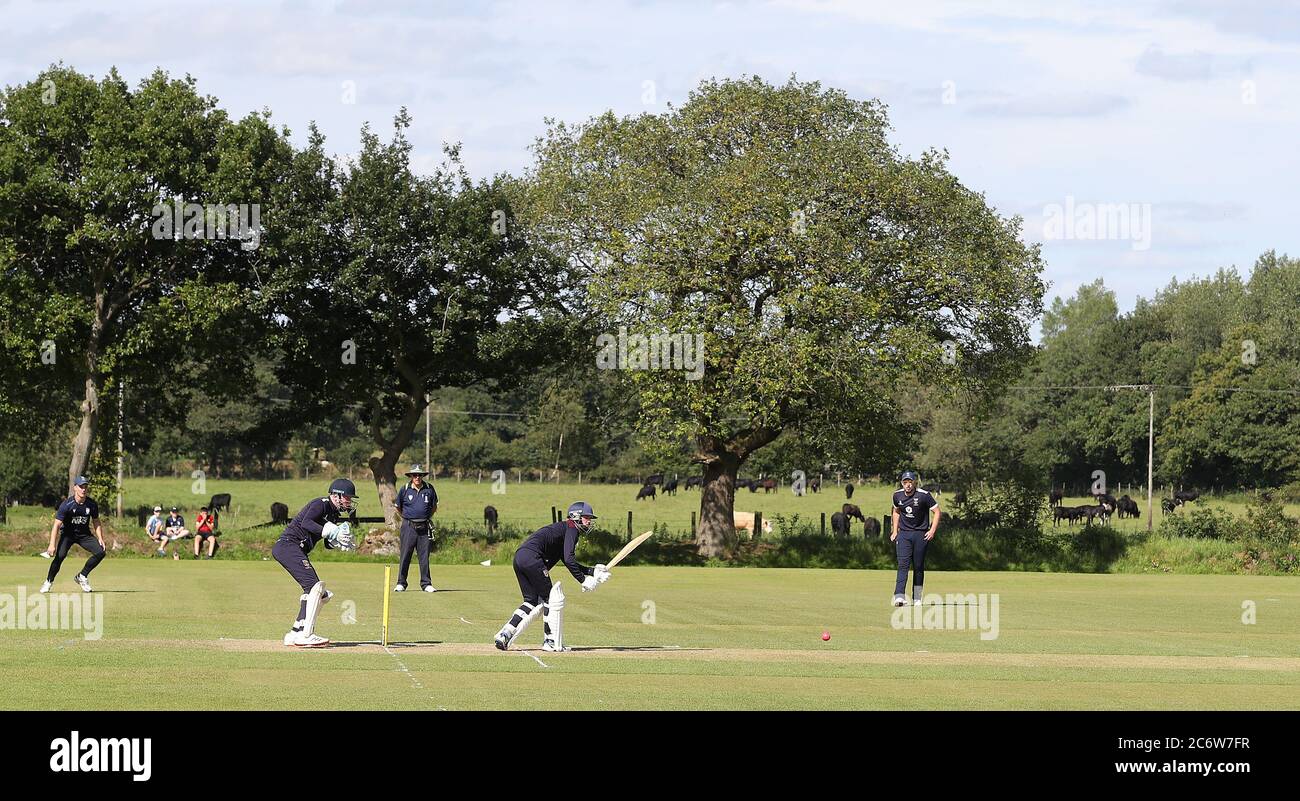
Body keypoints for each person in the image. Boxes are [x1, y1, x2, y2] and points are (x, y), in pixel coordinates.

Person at [494, 502, 611, 653]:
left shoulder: (564, 529)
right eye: (586, 517)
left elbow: (566, 559)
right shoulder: (571, 528)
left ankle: (505, 633)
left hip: (520, 557)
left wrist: (592, 571)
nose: (589, 522)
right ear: (576, 516)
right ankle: (550, 641)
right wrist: (583, 580)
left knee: (531, 601)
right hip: (533, 559)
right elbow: (569, 559)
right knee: (551, 599)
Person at [272, 479, 357, 647]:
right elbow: (307, 523)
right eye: (347, 497)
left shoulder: (333, 514)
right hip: (288, 545)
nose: (349, 501)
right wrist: (329, 531)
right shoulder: (321, 504)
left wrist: (339, 540)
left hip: (296, 549)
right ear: (337, 495)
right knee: (315, 588)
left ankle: (295, 633)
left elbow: (327, 541)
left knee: (322, 595)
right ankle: (306, 635)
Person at [40, 476, 106, 594]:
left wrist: (100, 538)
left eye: (85, 487)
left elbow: (96, 521)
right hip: (68, 535)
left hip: (84, 535)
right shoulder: (66, 505)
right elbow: (56, 525)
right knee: (59, 557)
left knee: (100, 552)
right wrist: (51, 545)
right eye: (81, 487)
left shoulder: (91, 504)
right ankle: (48, 582)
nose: (83, 489)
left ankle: (82, 576)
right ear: (75, 488)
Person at [890, 470, 940, 607]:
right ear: (902, 483)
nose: (908, 485)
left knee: (918, 566)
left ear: (914, 483)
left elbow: (937, 511)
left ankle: (917, 597)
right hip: (904, 534)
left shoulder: (924, 496)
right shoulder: (897, 495)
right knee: (903, 565)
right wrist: (895, 531)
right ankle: (899, 597)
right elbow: (896, 511)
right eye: (905, 482)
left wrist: (932, 530)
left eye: (910, 482)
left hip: (920, 534)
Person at [393, 464, 438, 593]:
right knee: (405, 555)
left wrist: (426, 516)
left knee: (424, 556)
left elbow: (434, 506)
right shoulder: (405, 489)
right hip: (408, 526)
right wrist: (407, 518)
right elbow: (398, 507)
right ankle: (401, 583)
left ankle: (426, 583)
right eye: (415, 475)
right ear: (411, 476)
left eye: (419, 475)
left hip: (424, 527)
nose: (417, 477)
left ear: (423, 476)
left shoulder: (429, 489)